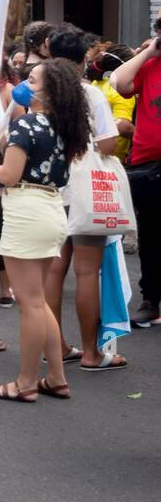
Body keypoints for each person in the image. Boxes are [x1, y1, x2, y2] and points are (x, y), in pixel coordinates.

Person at [0, 58, 88, 401]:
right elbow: (29, 161)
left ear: (49, 92)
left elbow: (7, 174)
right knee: (38, 302)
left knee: (31, 304)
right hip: (51, 211)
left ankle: (25, 382)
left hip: (26, 212)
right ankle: (56, 377)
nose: (25, 83)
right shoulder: (61, 125)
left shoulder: (27, 125)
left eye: (33, 81)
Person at [42, 25, 121, 370]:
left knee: (53, 272)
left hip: (51, 190)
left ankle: (55, 346)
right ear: (84, 57)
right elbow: (108, 144)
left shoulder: (43, 95)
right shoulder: (92, 95)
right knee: (88, 273)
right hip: (87, 190)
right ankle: (91, 353)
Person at [112, 17, 161, 327]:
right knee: (152, 238)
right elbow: (118, 82)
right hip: (146, 164)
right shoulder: (149, 65)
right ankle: (150, 300)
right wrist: (149, 51)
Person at [88, 42, 136, 162]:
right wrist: (144, 135)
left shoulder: (97, 83)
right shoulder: (120, 90)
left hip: (94, 153)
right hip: (114, 159)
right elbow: (123, 126)